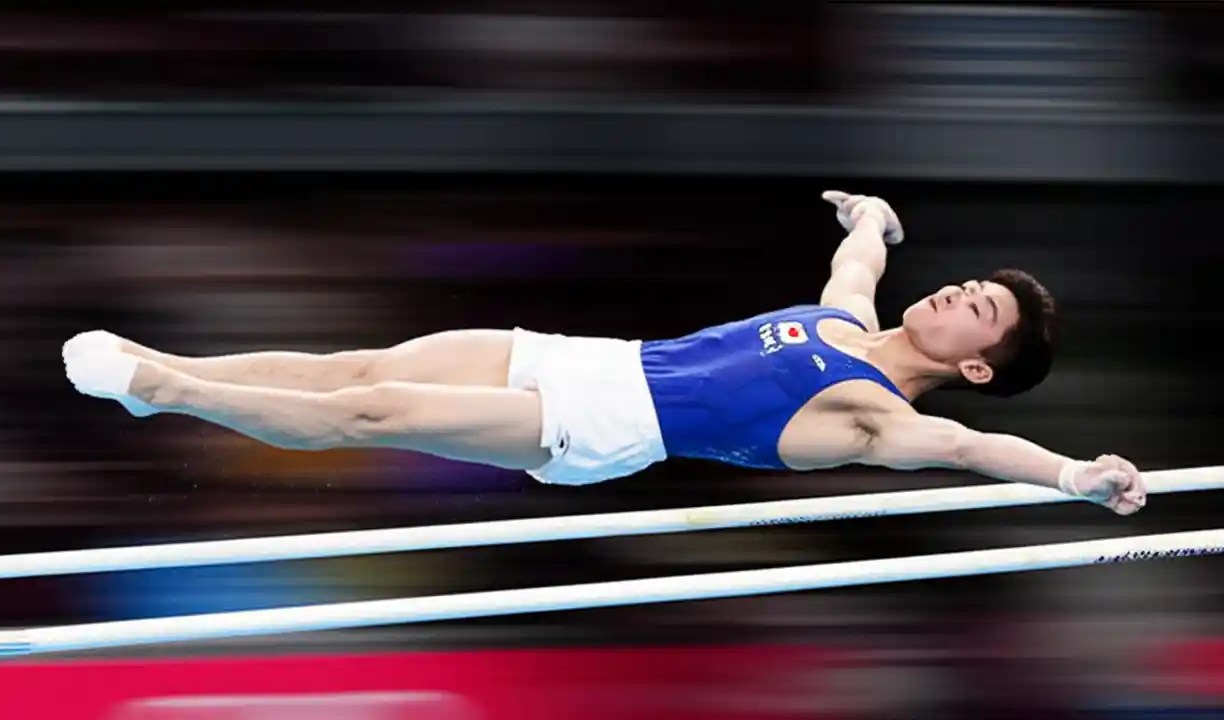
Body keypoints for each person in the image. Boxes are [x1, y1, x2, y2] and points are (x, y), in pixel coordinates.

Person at [62, 191, 1147, 515]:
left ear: (974, 366)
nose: (957, 292)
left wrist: (1072, 475)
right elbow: (856, 259)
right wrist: (872, 218)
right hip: (588, 357)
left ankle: (165, 390)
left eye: (978, 311)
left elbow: (971, 451)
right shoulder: (838, 321)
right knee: (355, 366)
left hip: (606, 427)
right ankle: (161, 372)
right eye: (969, 282)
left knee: (373, 413)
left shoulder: (880, 416)